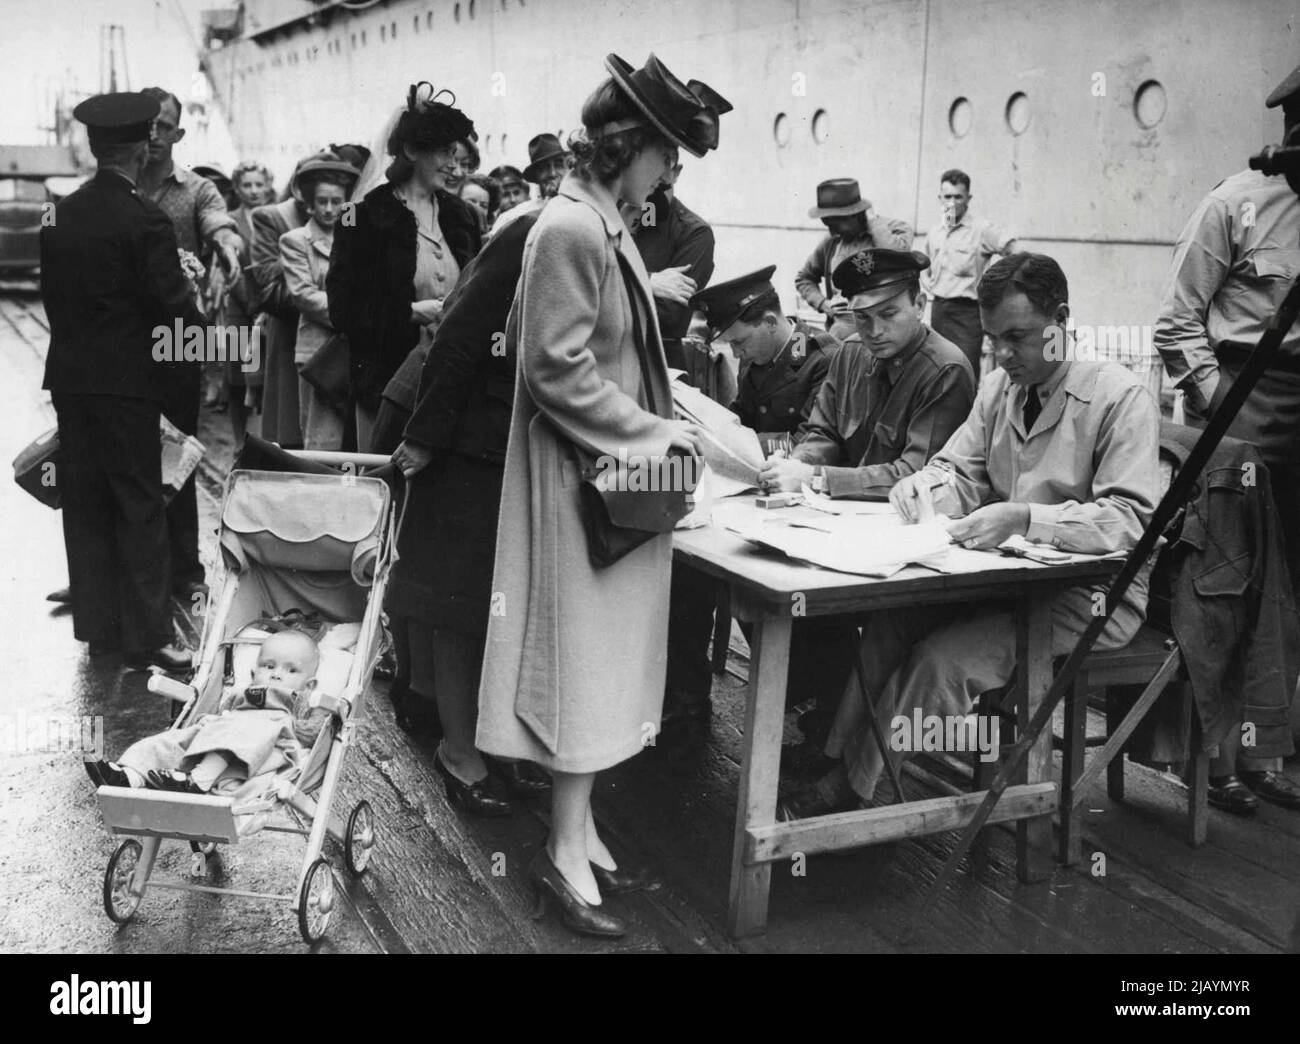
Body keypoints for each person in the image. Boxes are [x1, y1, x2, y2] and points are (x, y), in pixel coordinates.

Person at [475, 53, 727, 938]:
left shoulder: (600, 221)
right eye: (667, 154)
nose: (672, 174)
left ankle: (579, 834)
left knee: (600, 667)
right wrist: (658, 435)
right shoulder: (575, 229)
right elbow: (552, 366)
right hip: (579, 484)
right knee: (579, 666)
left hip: (607, 481)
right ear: (632, 147)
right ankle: (559, 850)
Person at [781, 253, 1160, 819]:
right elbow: (960, 468)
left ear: (1062, 319)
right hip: (1008, 579)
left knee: (943, 659)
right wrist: (924, 488)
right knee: (891, 622)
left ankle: (860, 793)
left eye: (1018, 337)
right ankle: (835, 757)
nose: (1003, 355)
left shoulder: (1119, 397)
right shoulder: (1001, 388)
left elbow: (1129, 521)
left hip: (1092, 596)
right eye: (992, 340)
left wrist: (1027, 518)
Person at [760, 249, 977, 760]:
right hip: (842, 532)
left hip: (909, 553)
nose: (874, 330)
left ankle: (835, 731)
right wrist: (795, 469)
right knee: (768, 584)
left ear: (920, 303)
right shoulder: (851, 353)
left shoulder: (946, 371)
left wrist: (814, 474)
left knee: (810, 604)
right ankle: (827, 715)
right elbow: (824, 430)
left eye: (888, 313)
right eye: (862, 317)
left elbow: (914, 477)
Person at [1154, 61, 1300, 812]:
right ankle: (1209, 763)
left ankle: (1266, 753)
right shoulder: (1236, 206)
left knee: (1291, 591)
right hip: (1243, 408)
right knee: (1226, 589)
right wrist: (1223, 414)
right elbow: (1177, 321)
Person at [388, 182, 554, 815]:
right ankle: (460, 750)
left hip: (514, 445)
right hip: (457, 436)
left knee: (504, 607)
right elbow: (458, 335)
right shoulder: (531, 231)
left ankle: (499, 739)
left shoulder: (602, 236)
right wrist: (426, 440)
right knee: (456, 604)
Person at [40, 92, 201, 672]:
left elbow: (53, 301)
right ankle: (150, 638)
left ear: (94, 145)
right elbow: (172, 309)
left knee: (83, 500)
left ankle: (101, 630)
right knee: (139, 503)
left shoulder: (59, 213)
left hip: (72, 380)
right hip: (129, 383)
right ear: (140, 148)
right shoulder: (146, 218)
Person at [657, 266, 840, 768]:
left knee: (754, 590)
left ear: (769, 320)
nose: (736, 356)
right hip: (756, 501)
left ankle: (808, 703)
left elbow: (813, 443)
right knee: (688, 571)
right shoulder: (762, 361)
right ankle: (686, 700)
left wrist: (740, 446)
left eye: (740, 343)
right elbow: (737, 419)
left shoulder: (822, 360)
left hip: (809, 507)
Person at [328, 83, 482, 451]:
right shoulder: (361, 218)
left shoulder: (463, 216)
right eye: (445, 153)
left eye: (456, 154)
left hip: (450, 388)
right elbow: (343, 311)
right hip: (384, 385)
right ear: (411, 150)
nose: (454, 166)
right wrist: (410, 312)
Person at [137, 85, 243, 599]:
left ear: (178, 133)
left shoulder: (196, 190)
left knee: (177, 451)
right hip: (123, 341)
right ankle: (115, 570)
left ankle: (184, 571)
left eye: (164, 126)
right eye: (146, 124)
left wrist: (226, 245)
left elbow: (219, 224)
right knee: (118, 458)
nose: (154, 134)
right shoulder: (117, 185)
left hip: (176, 339)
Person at [84, 631, 328, 794]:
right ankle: (129, 775)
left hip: (265, 743)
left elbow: (314, 730)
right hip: (226, 730)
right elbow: (225, 713)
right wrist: (209, 723)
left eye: (291, 670)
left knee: (240, 731)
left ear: (309, 685)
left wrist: (309, 724)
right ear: (254, 674)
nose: (276, 674)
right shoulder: (242, 693)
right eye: (269, 666)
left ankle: (198, 781)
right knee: (175, 738)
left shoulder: (303, 702)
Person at [279, 156, 360, 450]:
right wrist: (356, 314)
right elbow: (304, 294)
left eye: (336, 201)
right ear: (310, 203)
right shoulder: (296, 241)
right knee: (322, 439)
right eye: (322, 201)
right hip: (319, 352)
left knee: (356, 437)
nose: (328, 209)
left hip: (356, 348)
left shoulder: (356, 238)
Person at [628, 143, 723, 371]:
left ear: (676, 172)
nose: (651, 194)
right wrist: (649, 281)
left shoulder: (695, 233)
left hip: (658, 363)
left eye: (660, 184)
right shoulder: (628, 216)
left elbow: (670, 316)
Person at [248, 153, 318, 449]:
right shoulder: (273, 216)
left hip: (330, 334)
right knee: (290, 429)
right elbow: (265, 282)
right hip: (290, 330)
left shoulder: (346, 213)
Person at [922, 169, 1018, 376]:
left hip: (967, 314)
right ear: (939, 198)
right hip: (939, 310)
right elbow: (925, 266)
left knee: (964, 371)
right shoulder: (935, 231)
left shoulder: (981, 229)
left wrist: (998, 288)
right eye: (948, 196)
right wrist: (927, 283)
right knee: (936, 368)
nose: (953, 202)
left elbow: (1013, 251)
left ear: (968, 198)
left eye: (958, 197)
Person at [796, 178, 913, 343]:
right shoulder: (832, 241)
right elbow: (804, 278)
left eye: (834, 224)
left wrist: (873, 222)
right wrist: (823, 304)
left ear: (852, 216)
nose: (831, 231)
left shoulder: (895, 229)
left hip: (885, 329)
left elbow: (899, 257)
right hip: (844, 332)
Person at [222, 161, 275, 443]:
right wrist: (251, 306)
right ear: (237, 188)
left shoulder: (276, 216)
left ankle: (264, 440)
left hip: (271, 305)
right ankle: (239, 440)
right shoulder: (228, 220)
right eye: (247, 185)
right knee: (236, 373)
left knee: (267, 372)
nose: (254, 191)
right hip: (239, 305)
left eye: (259, 184)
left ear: (268, 186)